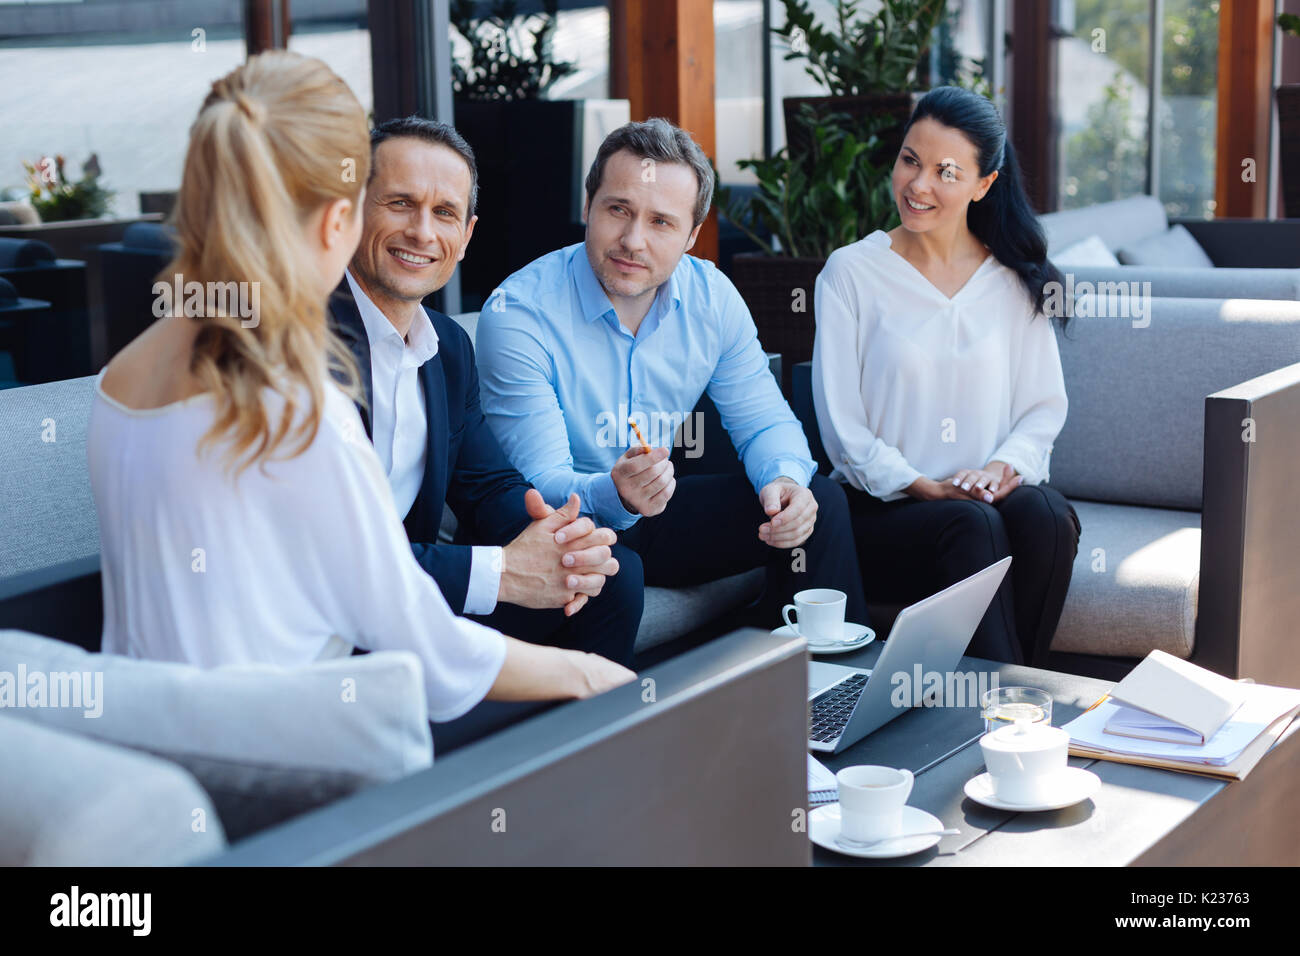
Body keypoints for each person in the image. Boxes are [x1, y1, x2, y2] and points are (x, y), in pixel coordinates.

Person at [88, 51, 634, 736]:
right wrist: (594, 679)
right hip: (284, 760)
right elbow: (425, 646)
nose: (420, 230)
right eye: (395, 203)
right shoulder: (295, 404)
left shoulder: (123, 372)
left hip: (146, 741)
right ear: (337, 222)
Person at [476, 118, 869, 631]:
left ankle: (819, 689)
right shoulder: (519, 312)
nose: (633, 240)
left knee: (818, 505)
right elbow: (539, 484)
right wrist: (615, 494)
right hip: (562, 523)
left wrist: (785, 481)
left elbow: (765, 422)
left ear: (692, 236)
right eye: (618, 209)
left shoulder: (712, 298)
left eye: (661, 222)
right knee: (620, 568)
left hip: (654, 507)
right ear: (587, 206)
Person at [328, 116, 643, 748]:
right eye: (400, 203)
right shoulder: (302, 349)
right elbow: (334, 561)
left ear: (467, 236)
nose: (422, 231)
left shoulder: (446, 348)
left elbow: (486, 483)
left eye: (445, 213)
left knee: (608, 575)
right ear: (350, 213)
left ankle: (578, 778)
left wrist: (556, 538)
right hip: (338, 605)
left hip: (421, 588)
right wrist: (500, 569)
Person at [811, 86, 1081, 667]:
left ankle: (1009, 696)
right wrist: (924, 486)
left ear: (984, 184)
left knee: (1045, 516)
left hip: (981, 505)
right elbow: (842, 430)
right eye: (910, 160)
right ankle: (1011, 706)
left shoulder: (1011, 281)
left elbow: (1041, 410)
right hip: (883, 512)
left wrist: (1001, 470)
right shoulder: (851, 274)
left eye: (945, 171)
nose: (918, 184)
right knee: (972, 522)